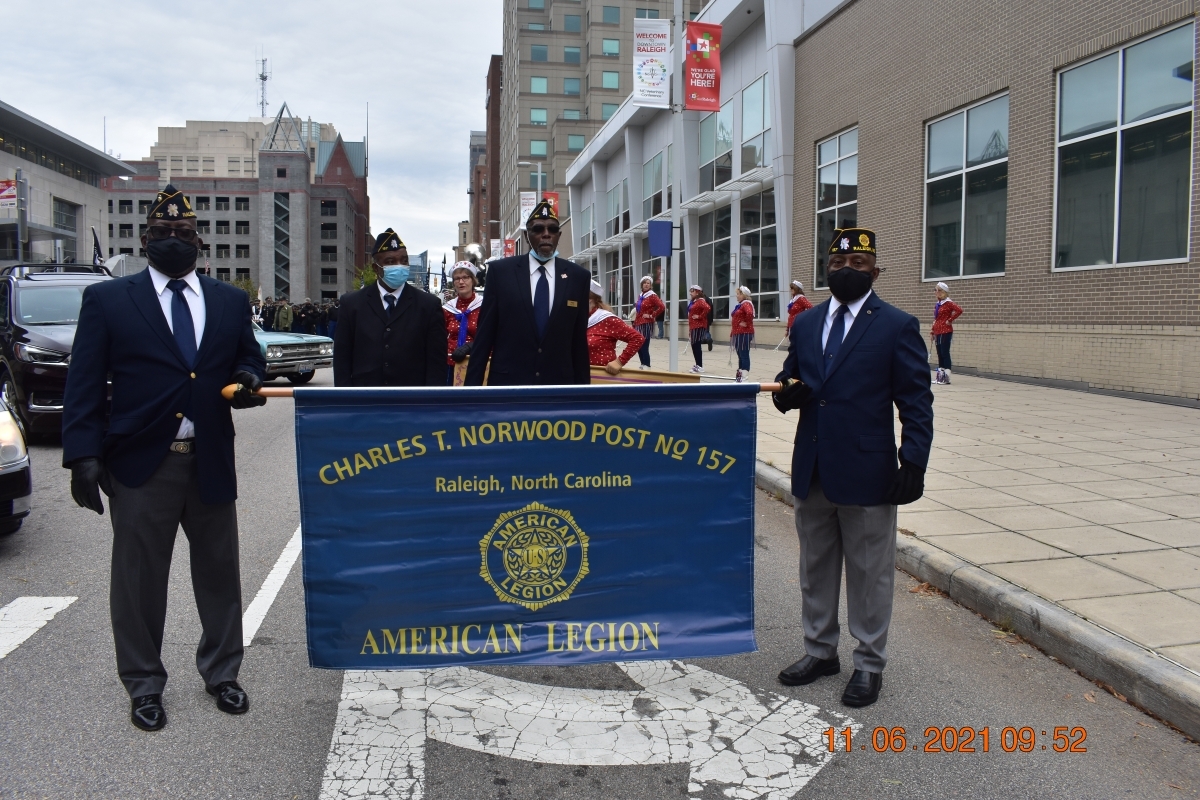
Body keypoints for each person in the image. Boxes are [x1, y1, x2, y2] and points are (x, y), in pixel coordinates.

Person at [61, 185, 267, 732]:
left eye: (183, 233)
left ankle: (223, 671)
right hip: (140, 462)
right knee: (138, 580)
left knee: (219, 573)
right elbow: (83, 383)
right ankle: (144, 683)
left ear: (198, 240)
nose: (173, 240)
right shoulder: (108, 300)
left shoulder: (228, 301)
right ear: (145, 240)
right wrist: (81, 454)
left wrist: (249, 377)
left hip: (209, 459)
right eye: (162, 234)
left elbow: (249, 356)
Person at [772, 227, 933, 709]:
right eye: (838, 265)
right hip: (814, 465)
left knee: (870, 573)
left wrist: (914, 462)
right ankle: (820, 652)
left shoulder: (897, 325)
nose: (846, 271)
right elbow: (789, 379)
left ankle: (868, 663)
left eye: (858, 265)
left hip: (869, 472)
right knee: (815, 568)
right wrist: (787, 393)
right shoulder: (806, 323)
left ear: (875, 271)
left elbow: (916, 402)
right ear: (827, 269)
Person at [465, 201, 590, 386]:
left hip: (558, 389)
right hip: (509, 387)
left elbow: (579, 343)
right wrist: (470, 396)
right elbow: (484, 337)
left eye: (553, 229)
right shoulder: (501, 273)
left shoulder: (578, 277)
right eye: (538, 229)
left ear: (559, 235)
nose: (546, 234)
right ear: (526, 235)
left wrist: (583, 398)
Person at [333, 228, 446, 387]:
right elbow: (342, 358)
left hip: (412, 399)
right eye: (390, 262)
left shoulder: (428, 305)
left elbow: (437, 362)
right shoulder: (352, 304)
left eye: (404, 260)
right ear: (375, 268)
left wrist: (431, 403)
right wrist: (345, 400)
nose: (399, 266)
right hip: (366, 398)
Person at [587, 280, 644, 374]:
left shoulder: (606, 319)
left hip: (602, 377)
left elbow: (637, 338)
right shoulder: (579, 318)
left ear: (590, 299)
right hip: (580, 376)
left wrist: (619, 362)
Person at [443, 261, 483, 385]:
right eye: (457, 278)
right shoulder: (447, 309)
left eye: (465, 277)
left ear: (473, 280)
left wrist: (471, 346)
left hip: (477, 363)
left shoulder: (485, 306)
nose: (461, 282)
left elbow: (492, 336)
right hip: (451, 365)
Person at [931, 282, 963, 385]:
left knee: (945, 353)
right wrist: (932, 330)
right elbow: (936, 319)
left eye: (938, 290)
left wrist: (950, 320)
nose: (936, 292)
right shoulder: (938, 304)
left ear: (943, 292)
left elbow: (959, 310)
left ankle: (947, 377)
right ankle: (940, 376)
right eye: (935, 290)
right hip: (937, 331)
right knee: (939, 353)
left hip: (945, 330)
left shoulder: (948, 303)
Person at [631, 276, 664, 369]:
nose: (646, 284)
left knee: (644, 345)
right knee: (638, 345)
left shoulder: (652, 295)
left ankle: (647, 364)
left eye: (648, 283)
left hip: (646, 323)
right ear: (642, 284)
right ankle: (642, 363)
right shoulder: (641, 295)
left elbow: (661, 306)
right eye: (645, 283)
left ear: (651, 285)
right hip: (638, 323)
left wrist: (651, 315)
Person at [730, 286, 755, 382]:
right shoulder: (741, 304)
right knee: (740, 354)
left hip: (744, 333)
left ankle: (745, 377)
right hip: (738, 333)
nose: (737, 296)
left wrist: (746, 323)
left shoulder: (746, 304)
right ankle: (740, 375)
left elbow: (749, 313)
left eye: (738, 294)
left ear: (743, 295)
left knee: (744, 354)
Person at [687, 285, 711, 374]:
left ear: (697, 292)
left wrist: (700, 316)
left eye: (692, 291)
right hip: (693, 326)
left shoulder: (700, 301)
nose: (690, 293)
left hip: (698, 325)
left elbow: (708, 308)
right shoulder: (695, 301)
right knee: (694, 345)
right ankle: (698, 365)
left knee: (696, 345)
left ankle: (700, 366)